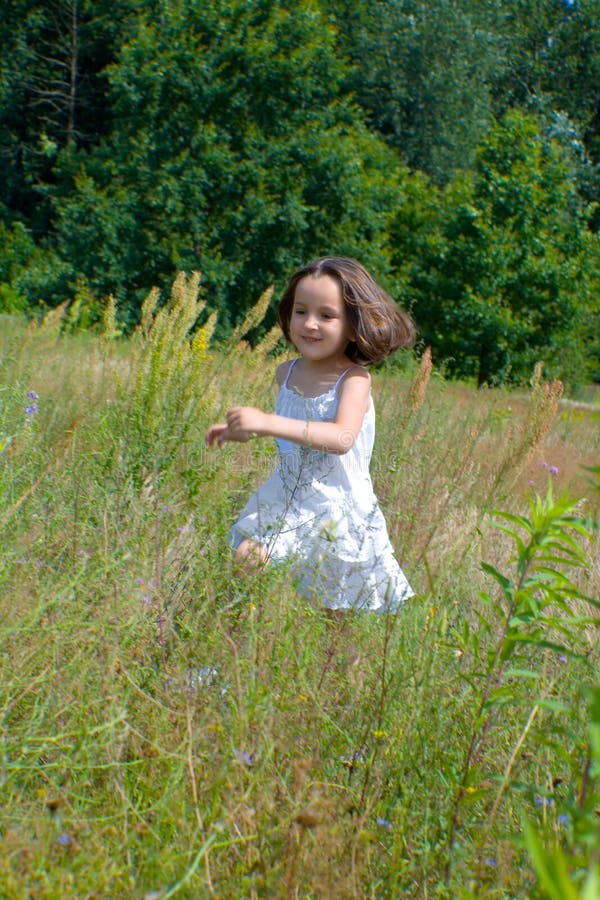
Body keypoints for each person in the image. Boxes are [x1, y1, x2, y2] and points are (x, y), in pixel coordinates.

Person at [205, 256, 415, 612]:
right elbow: (292, 428)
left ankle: (335, 669)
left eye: (327, 315)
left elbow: (340, 438)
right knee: (246, 560)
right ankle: (223, 661)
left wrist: (267, 422)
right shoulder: (286, 372)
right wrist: (243, 430)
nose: (310, 324)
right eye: (301, 311)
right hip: (287, 499)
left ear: (352, 325)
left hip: (339, 508)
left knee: (336, 612)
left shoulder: (354, 379)